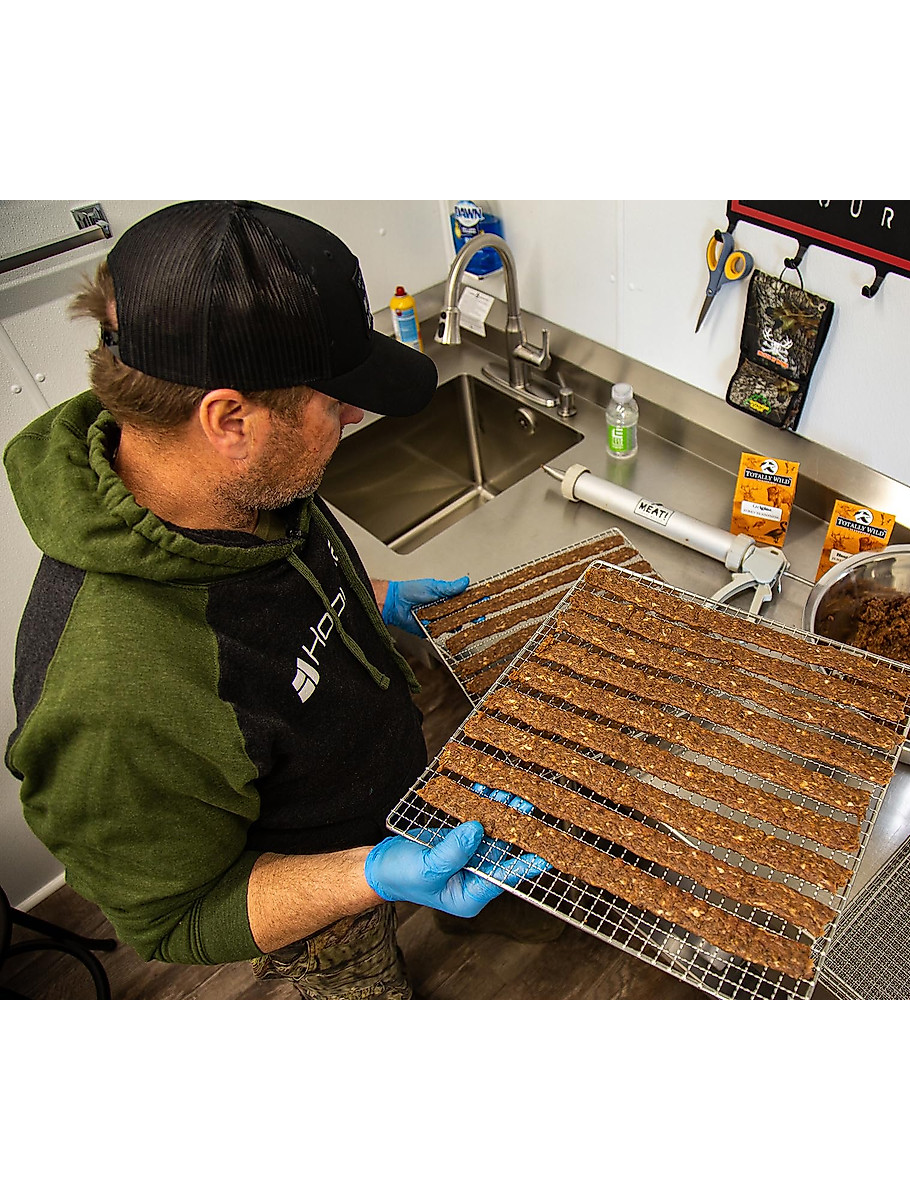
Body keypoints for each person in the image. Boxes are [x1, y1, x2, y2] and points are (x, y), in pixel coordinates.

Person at [4, 200, 556, 1000]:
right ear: (228, 418)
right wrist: (374, 874)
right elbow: (177, 917)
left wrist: (376, 597)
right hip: (315, 894)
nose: (354, 415)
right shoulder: (111, 701)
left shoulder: (240, 480)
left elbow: (271, 591)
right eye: (333, 401)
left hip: (390, 779)